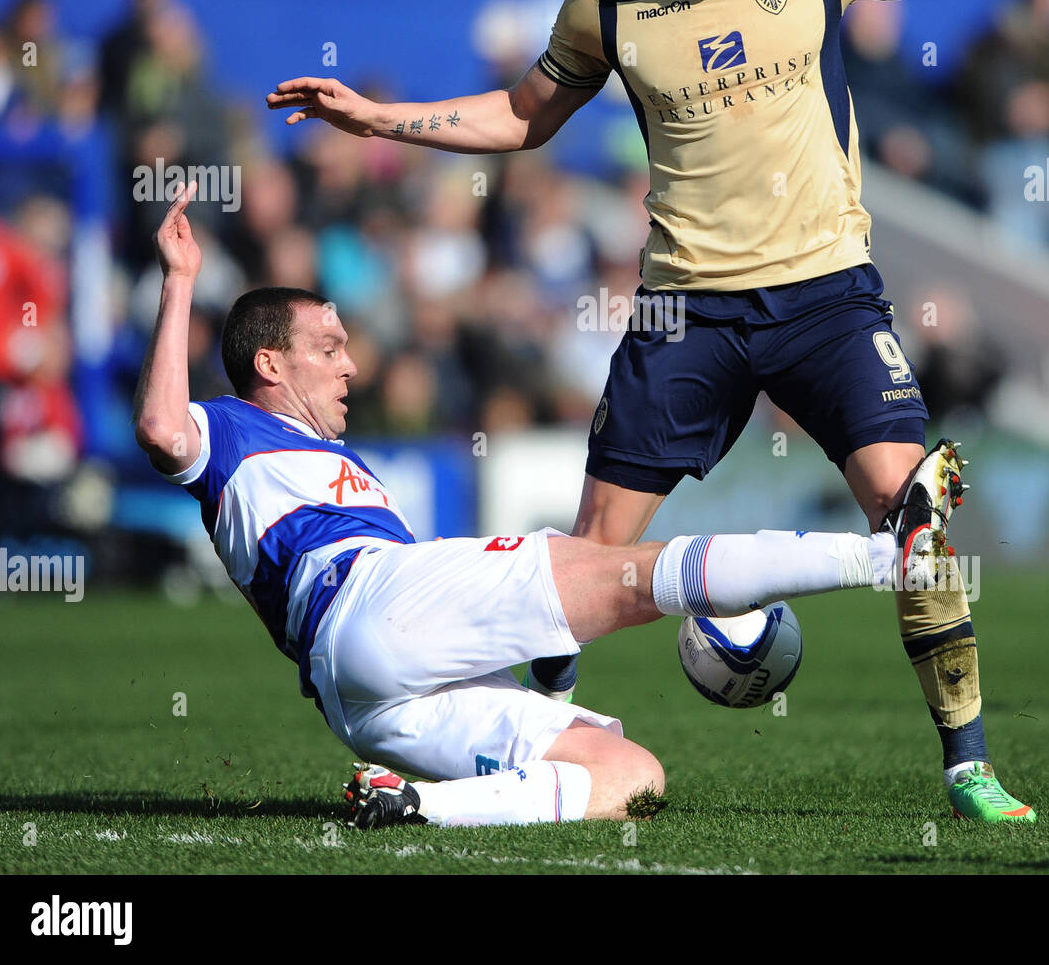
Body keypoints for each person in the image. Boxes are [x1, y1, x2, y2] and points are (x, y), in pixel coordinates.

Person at [266, 0, 1049, 823]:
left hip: (828, 296)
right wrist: (375, 119)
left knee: (914, 520)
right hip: (688, 313)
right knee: (588, 556)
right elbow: (520, 117)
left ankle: (967, 768)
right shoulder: (611, 4)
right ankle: (529, 749)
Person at [136, 183, 966, 828]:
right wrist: (181, 283)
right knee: (628, 578)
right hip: (364, 600)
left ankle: (410, 807)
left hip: (363, 702)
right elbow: (163, 429)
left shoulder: (331, 459)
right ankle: (891, 554)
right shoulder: (232, 426)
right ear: (271, 366)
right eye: (328, 349)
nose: (351, 365)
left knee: (632, 778)